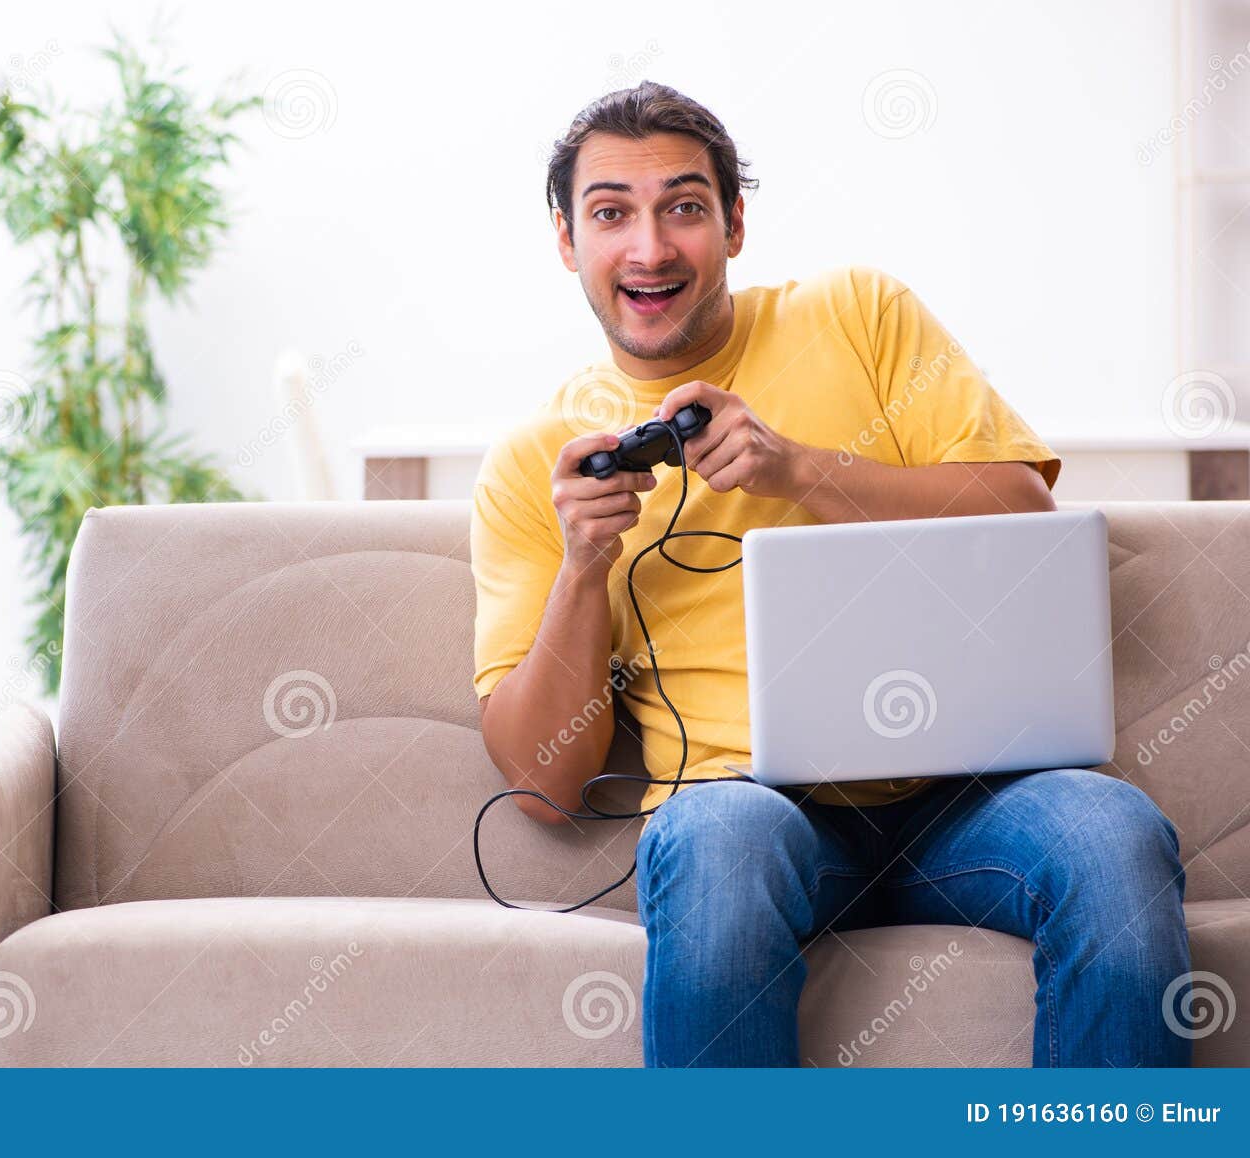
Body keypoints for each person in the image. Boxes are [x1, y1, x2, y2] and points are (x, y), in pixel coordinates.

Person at [469, 81, 1190, 1067]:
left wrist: (798, 469)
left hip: (970, 794)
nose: (648, 248)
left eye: (683, 206)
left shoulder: (858, 312)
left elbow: (1023, 515)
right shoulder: (534, 464)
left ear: (732, 223)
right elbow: (544, 786)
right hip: (742, 805)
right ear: (566, 241)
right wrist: (584, 566)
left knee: (1112, 837)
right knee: (722, 845)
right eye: (610, 214)